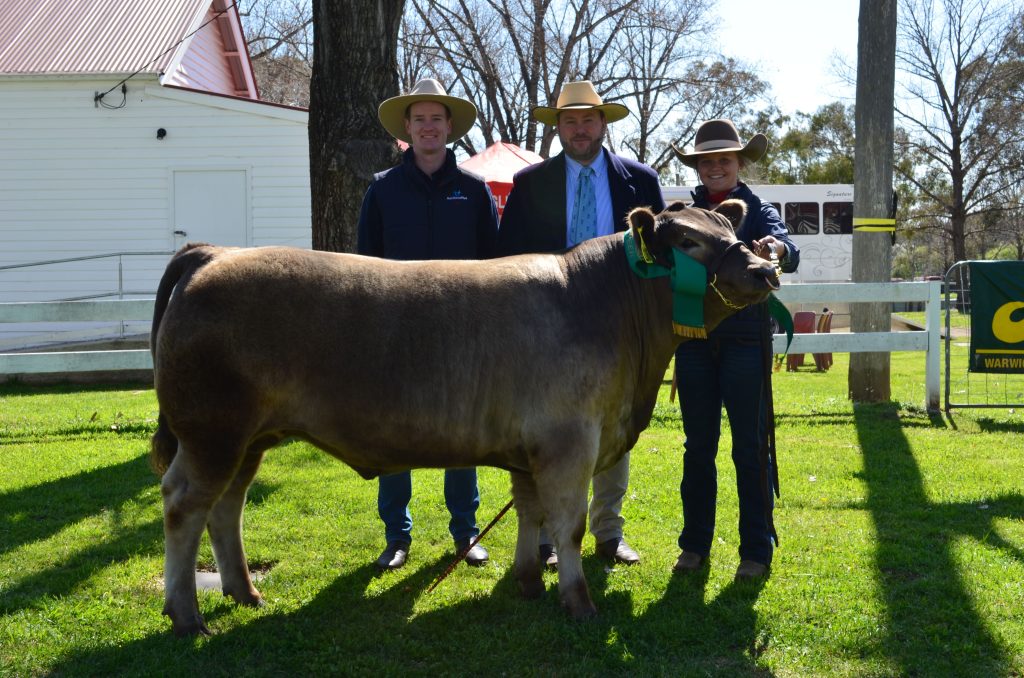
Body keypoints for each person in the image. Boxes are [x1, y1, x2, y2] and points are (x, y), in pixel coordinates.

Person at [498, 80, 665, 568]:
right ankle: (547, 537)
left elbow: (658, 261)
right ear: (558, 128)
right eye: (568, 121)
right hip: (548, 325)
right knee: (545, 428)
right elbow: (507, 259)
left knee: (615, 423)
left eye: (587, 119)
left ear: (603, 123)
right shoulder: (531, 184)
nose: (579, 129)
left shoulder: (641, 181)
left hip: (619, 326)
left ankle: (609, 532)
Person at [357, 78, 498, 570]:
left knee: (462, 434)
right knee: (396, 434)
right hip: (397, 336)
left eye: (436, 118)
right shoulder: (382, 191)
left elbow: (493, 267)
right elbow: (363, 268)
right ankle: (397, 535)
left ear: (450, 127)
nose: (428, 127)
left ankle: (466, 532)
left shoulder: (476, 192)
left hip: (463, 336)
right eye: (419, 120)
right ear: (407, 130)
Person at [670, 119, 800, 581]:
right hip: (694, 339)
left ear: (739, 163)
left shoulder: (758, 209)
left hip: (747, 337)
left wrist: (776, 252)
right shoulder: (684, 214)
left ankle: (755, 552)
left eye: (724, 159)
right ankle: (694, 546)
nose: (716, 167)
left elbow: (788, 246)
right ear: (698, 167)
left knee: (750, 446)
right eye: (707, 161)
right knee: (698, 447)